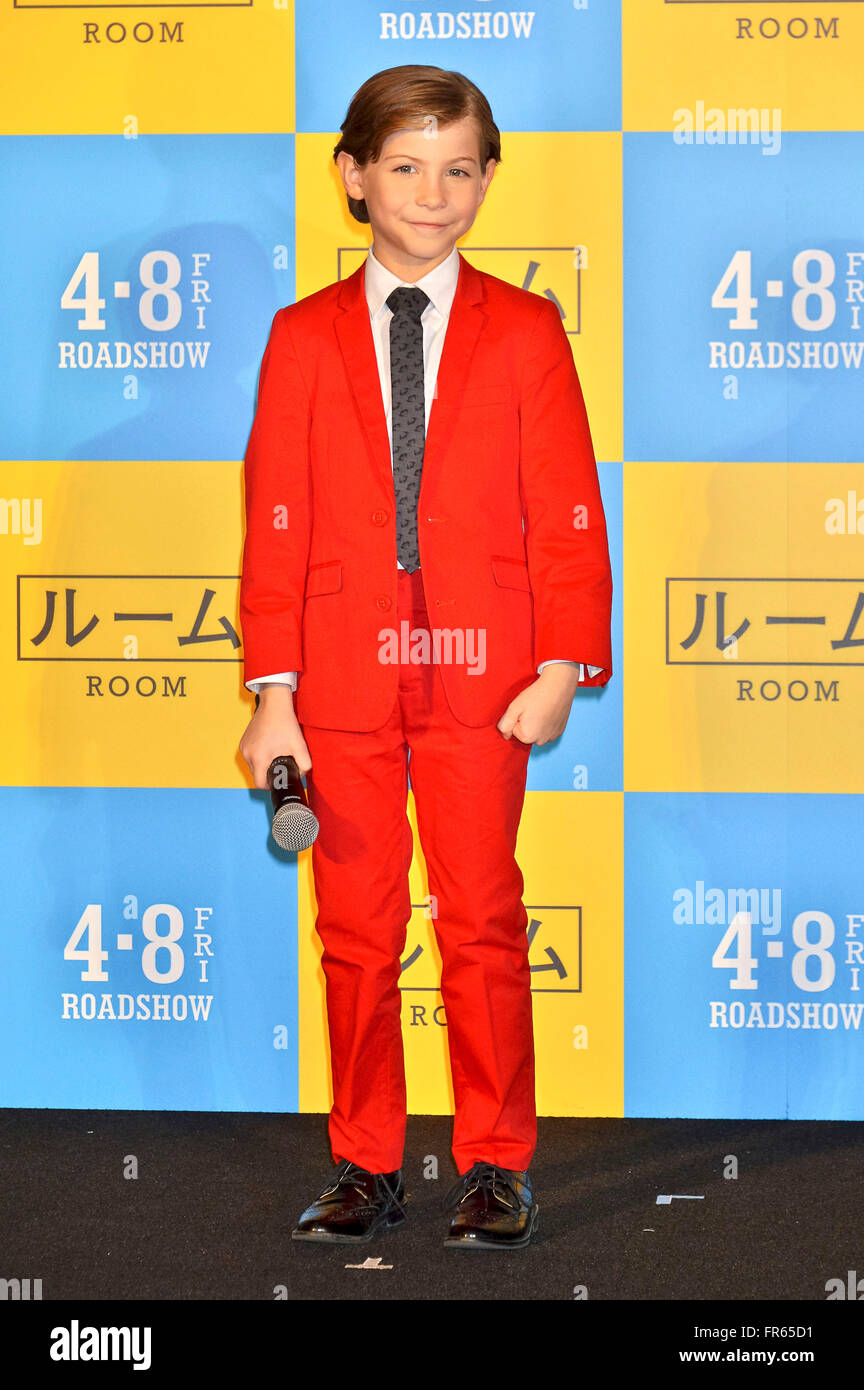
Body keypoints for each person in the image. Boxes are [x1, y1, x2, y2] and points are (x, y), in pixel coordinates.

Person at [238, 64, 612, 1250]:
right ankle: (366, 1158)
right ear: (353, 177)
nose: (433, 192)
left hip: (486, 677)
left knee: (482, 916)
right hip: (339, 679)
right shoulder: (302, 335)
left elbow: (567, 508)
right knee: (354, 925)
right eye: (405, 167)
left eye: (458, 169)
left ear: (488, 178)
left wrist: (563, 665)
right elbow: (274, 515)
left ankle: (497, 1161)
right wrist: (272, 693)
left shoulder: (529, 327)